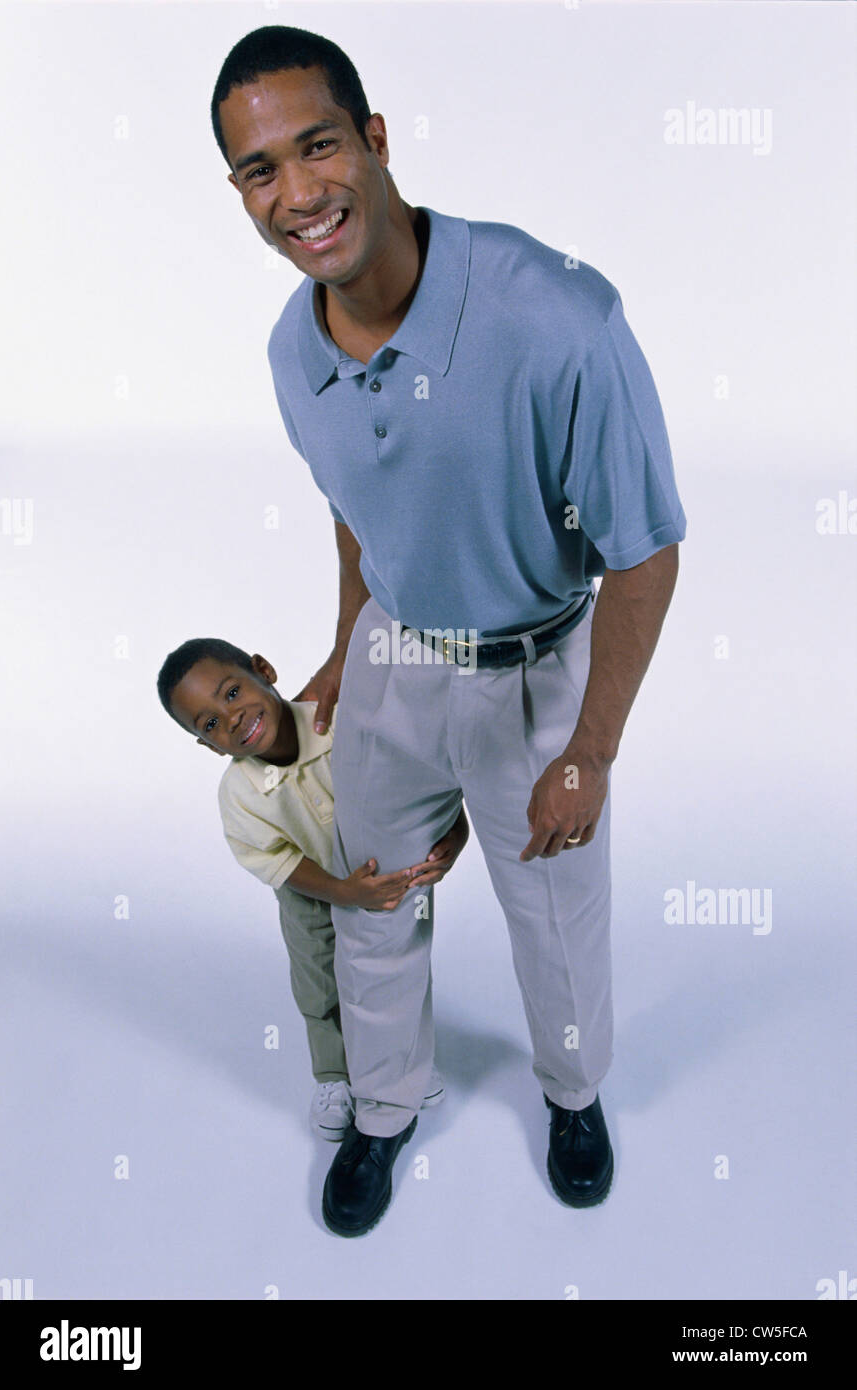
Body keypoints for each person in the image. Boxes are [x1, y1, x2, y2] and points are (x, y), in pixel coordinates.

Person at [210, 25, 686, 1237]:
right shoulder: (291, 349)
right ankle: (382, 1109)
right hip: (392, 665)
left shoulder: (558, 316)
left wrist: (592, 750)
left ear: (373, 139)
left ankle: (572, 1095)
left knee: (556, 923)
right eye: (260, 170)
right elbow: (355, 509)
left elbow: (643, 550)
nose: (297, 193)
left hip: (536, 676)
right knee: (376, 906)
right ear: (240, 192)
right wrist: (345, 643)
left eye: (318, 147)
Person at [156, 637, 466, 1140]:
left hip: (379, 876)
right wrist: (340, 893)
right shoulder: (239, 795)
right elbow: (277, 859)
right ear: (208, 745)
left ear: (263, 670)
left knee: (397, 968)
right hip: (310, 892)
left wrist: (457, 829)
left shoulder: (344, 719)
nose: (231, 719)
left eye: (232, 693)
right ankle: (335, 1075)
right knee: (321, 983)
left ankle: (403, 1063)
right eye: (210, 724)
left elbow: (419, 779)